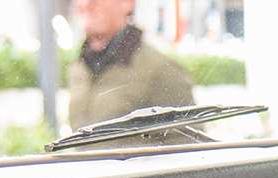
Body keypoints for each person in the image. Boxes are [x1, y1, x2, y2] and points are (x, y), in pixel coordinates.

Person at [68, 0, 195, 130]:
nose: (85, 3)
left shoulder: (162, 70)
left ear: (127, 3)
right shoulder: (80, 67)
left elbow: (192, 144)